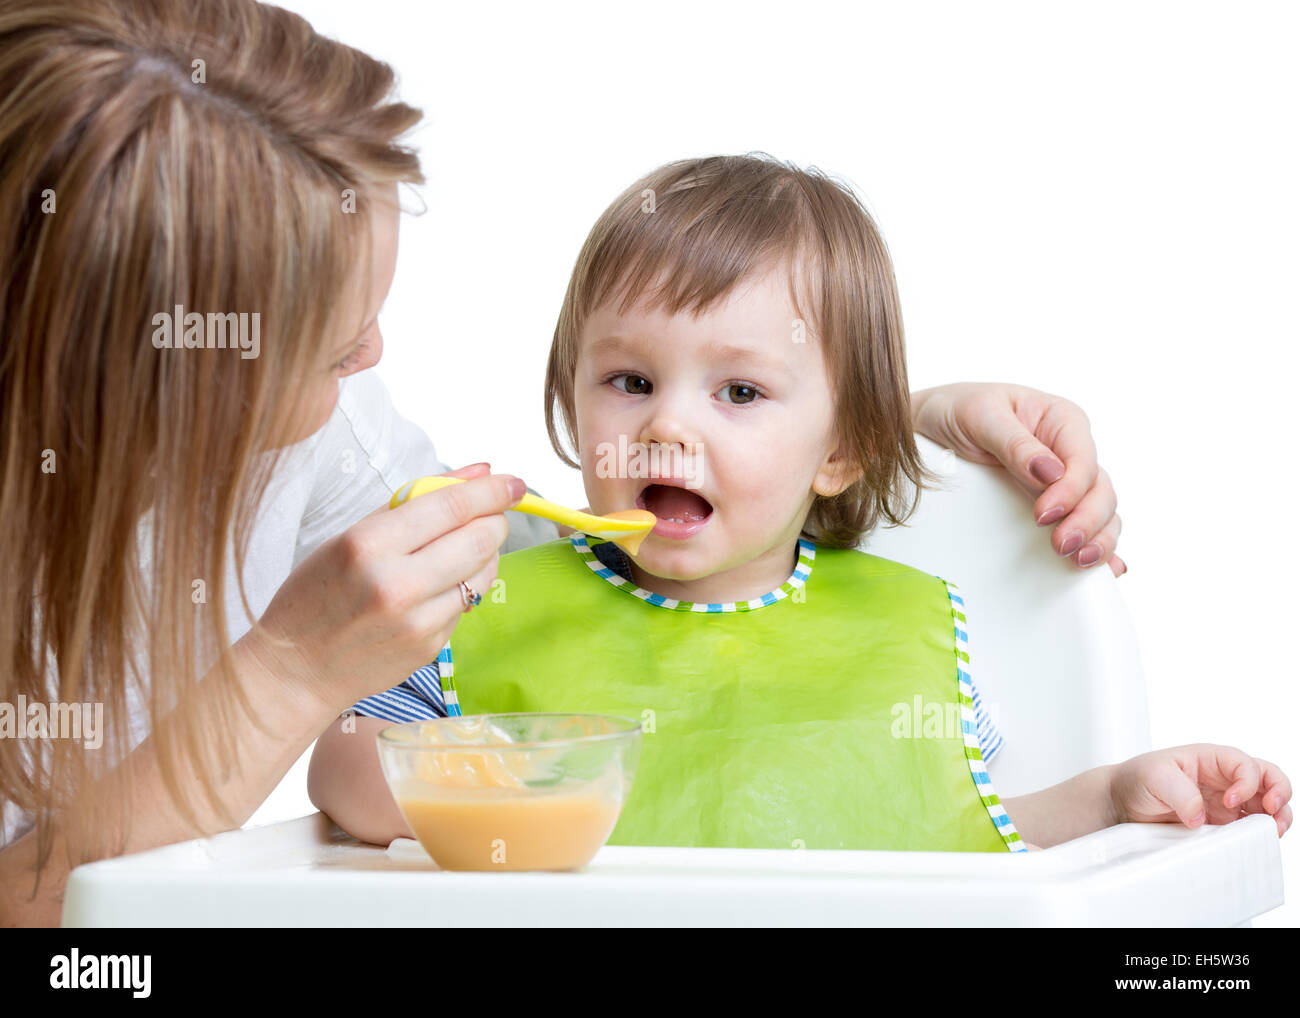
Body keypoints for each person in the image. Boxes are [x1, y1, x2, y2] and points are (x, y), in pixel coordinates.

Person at [0, 0, 1125, 926]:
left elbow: (568, 551)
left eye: (738, 391)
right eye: (335, 345)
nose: (373, 359)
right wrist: (287, 678)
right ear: (146, 375)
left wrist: (908, 417)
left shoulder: (330, 436)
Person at [312, 154, 1291, 853]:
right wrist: (465, 779)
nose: (669, 428)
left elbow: (959, 828)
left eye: (738, 392)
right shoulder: (489, 600)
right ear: (571, 395)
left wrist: (1115, 794)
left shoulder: (901, 632)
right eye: (628, 379)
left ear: (843, 449)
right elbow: (337, 775)